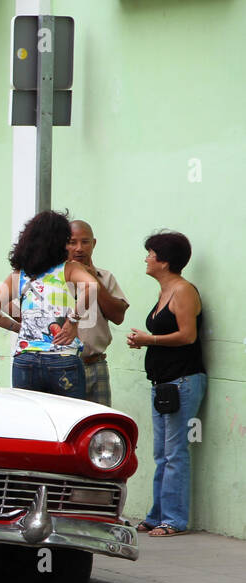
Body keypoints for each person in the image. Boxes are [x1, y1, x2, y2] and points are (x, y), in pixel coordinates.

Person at [125, 230, 206, 537]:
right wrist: (144, 342)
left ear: (164, 260)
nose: (146, 258)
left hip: (182, 381)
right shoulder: (165, 291)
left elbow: (188, 335)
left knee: (175, 453)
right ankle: (157, 513)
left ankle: (173, 519)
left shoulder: (183, 291)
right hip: (163, 383)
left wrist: (150, 339)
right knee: (161, 453)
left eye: (151, 254)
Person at [0, 210, 97, 398]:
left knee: (30, 423)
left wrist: (20, 328)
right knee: (69, 420)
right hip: (62, 357)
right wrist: (73, 321)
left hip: (25, 359)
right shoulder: (68, 269)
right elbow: (91, 286)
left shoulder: (18, 276)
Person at [68, 219, 129, 405]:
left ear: (93, 244)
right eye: (72, 242)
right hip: (63, 366)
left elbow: (118, 317)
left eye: (85, 242)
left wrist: (94, 281)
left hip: (96, 364)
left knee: (99, 427)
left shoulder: (105, 277)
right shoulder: (53, 279)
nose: (79, 248)